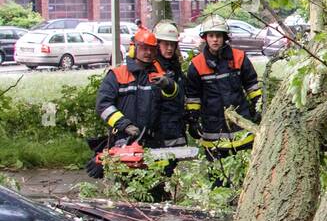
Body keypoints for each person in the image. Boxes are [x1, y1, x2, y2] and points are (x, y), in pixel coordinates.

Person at [88, 28, 178, 178]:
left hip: (154, 141)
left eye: (151, 49)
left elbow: (174, 99)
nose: (148, 53)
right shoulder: (117, 75)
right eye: (144, 48)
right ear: (133, 48)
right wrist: (125, 125)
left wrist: (168, 85)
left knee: (157, 186)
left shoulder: (160, 75)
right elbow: (103, 106)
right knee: (127, 184)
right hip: (125, 140)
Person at [185, 15, 261, 158]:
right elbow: (193, 97)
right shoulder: (196, 64)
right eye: (211, 35)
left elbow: (252, 86)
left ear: (224, 37)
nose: (215, 39)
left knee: (244, 173)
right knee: (217, 176)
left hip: (241, 126)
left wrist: (259, 107)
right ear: (205, 38)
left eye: (218, 36)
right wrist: (193, 120)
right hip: (213, 130)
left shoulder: (239, 58)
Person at [152, 19, 188, 146]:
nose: (169, 48)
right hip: (160, 129)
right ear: (157, 44)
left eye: (172, 45)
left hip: (177, 126)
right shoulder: (152, 67)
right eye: (166, 44)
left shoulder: (175, 66)